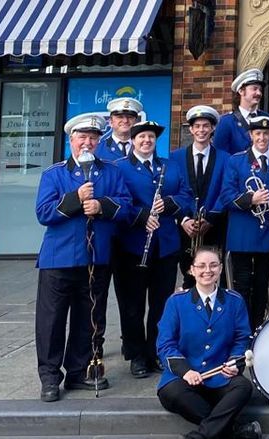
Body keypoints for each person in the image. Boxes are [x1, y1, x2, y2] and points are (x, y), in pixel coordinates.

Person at [35, 113, 131, 402]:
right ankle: (50, 377)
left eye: (93, 137)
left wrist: (100, 206)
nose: (87, 142)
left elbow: (125, 207)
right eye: (82, 137)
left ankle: (78, 372)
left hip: (96, 258)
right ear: (71, 140)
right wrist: (76, 198)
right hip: (59, 260)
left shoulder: (111, 172)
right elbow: (44, 213)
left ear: (99, 141)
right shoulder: (54, 173)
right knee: (51, 322)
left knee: (88, 320)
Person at [114, 121, 194, 378]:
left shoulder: (169, 166)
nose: (146, 141)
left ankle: (156, 351)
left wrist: (168, 205)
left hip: (166, 246)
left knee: (161, 304)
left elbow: (185, 195)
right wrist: (140, 216)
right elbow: (118, 200)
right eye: (142, 137)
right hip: (133, 246)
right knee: (133, 304)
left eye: (150, 137)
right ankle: (137, 355)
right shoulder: (121, 167)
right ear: (133, 141)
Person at [156, 247, 262, 439]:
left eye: (213, 265)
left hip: (219, 377)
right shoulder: (176, 302)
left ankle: (199, 437)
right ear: (192, 270)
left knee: (243, 387)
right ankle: (236, 432)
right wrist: (186, 371)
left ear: (221, 269)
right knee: (172, 393)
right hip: (184, 379)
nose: (208, 270)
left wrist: (234, 364)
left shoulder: (234, 301)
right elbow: (165, 344)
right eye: (201, 266)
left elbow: (242, 339)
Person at [218, 115, 269, 330]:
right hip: (242, 233)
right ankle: (242, 331)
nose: (262, 137)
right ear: (250, 135)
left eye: (266, 133)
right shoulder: (235, 161)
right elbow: (226, 196)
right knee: (242, 285)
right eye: (257, 133)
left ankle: (257, 329)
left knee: (262, 285)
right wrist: (251, 199)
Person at [172, 106, 228, 289]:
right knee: (188, 275)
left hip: (214, 225)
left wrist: (210, 218)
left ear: (212, 129)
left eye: (206, 126)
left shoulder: (225, 158)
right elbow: (173, 191)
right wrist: (184, 219)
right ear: (191, 129)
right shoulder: (175, 157)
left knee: (213, 274)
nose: (201, 130)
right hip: (186, 227)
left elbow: (226, 191)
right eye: (197, 126)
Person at [213, 69, 269, 155]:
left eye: (260, 90)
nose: (259, 93)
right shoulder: (226, 122)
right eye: (254, 89)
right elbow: (220, 156)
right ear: (241, 91)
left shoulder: (266, 118)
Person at [95, 97, 142, 161]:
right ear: (111, 122)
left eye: (130, 117)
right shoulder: (98, 148)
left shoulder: (143, 147)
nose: (125, 121)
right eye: (120, 117)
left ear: (136, 122)